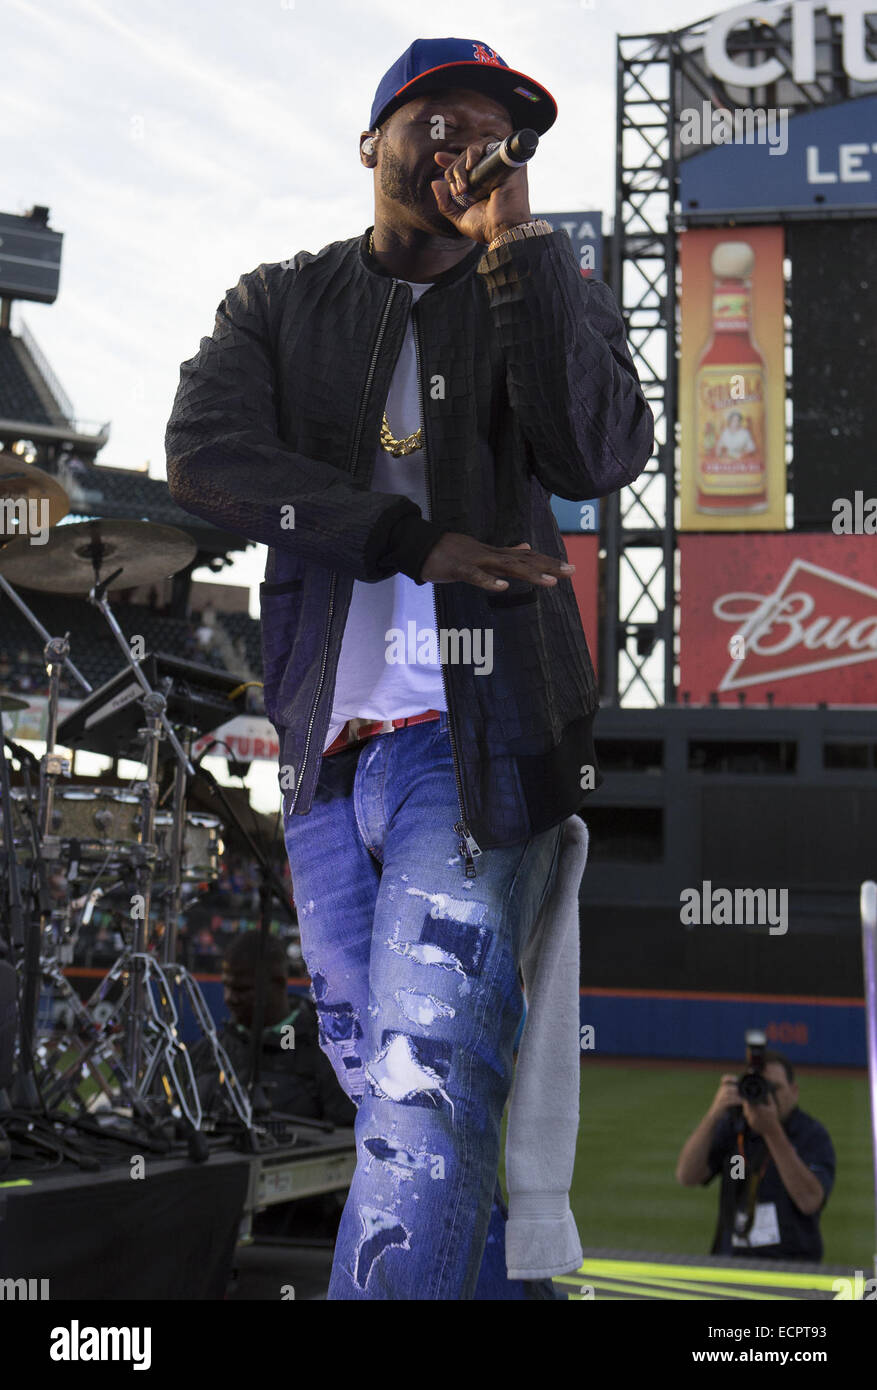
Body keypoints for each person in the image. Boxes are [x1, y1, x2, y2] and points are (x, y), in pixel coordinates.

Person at [166, 36, 653, 1299]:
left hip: (480, 749)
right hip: (328, 758)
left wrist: (525, 256)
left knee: (420, 1085)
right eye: (439, 121)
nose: (468, 146)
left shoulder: (540, 279)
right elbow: (207, 457)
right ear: (373, 140)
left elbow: (596, 450)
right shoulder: (279, 302)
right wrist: (407, 539)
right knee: (380, 1078)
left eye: (496, 130)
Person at [675, 1051, 836, 1262]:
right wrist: (714, 1113)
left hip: (792, 1265)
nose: (766, 1097)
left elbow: (810, 1201)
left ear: (794, 1091)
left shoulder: (811, 1135)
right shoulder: (734, 1126)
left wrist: (772, 1132)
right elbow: (687, 1176)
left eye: (775, 1088)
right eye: (760, 1087)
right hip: (732, 1261)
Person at [190, 930, 355, 1129]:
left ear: (278, 983)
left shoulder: (328, 1055)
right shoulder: (208, 1051)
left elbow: (345, 1142)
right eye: (227, 986)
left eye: (242, 989)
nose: (229, 998)